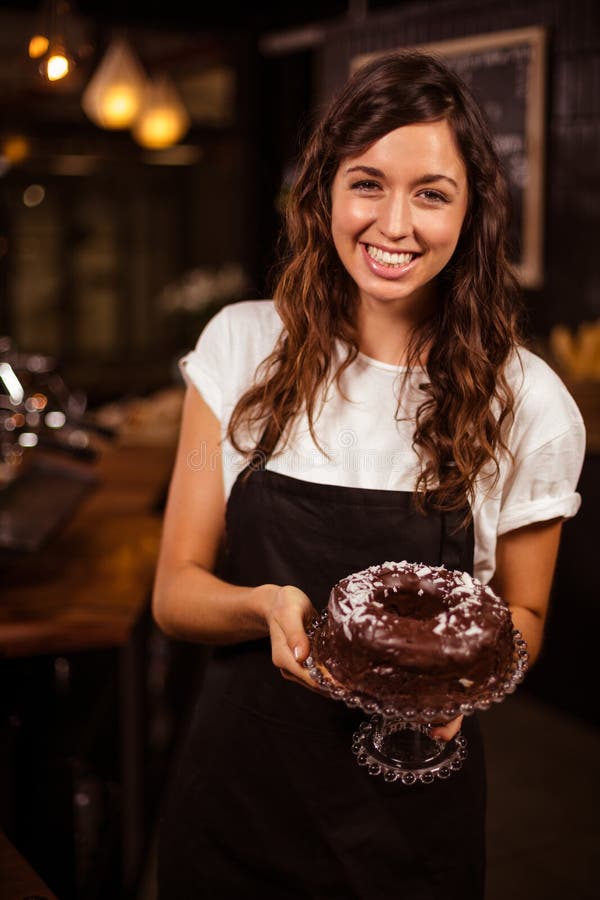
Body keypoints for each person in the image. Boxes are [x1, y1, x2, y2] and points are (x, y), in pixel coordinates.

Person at [152, 49, 585, 899]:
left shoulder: (527, 401)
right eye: (366, 183)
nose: (394, 225)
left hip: (408, 818)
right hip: (238, 796)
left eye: (431, 193)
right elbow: (175, 591)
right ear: (323, 193)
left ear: (471, 214)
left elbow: (526, 614)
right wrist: (265, 606)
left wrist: (463, 684)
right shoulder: (239, 349)